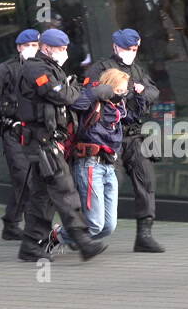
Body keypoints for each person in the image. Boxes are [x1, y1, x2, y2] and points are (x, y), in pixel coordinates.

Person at [14, 28, 107, 263]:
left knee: (43, 195)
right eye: (61, 49)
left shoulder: (52, 68)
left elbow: (70, 92)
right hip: (42, 142)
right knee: (64, 188)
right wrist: (92, 92)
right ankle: (82, 240)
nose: (65, 53)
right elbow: (63, 95)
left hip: (49, 140)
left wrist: (79, 92)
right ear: (46, 48)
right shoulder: (35, 68)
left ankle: (30, 246)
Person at [83, 29, 165, 252]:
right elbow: (90, 93)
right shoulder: (100, 68)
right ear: (115, 47)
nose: (131, 52)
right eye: (127, 48)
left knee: (146, 181)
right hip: (110, 135)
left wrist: (140, 92)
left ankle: (144, 235)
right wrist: (124, 93)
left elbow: (153, 91)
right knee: (108, 185)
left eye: (135, 49)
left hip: (135, 134)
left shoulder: (137, 69)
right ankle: (85, 231)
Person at [48, 68, 131, 252]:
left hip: (109, 165)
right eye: (118, 91)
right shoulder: (93, 102)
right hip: (90, 163)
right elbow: (75, 104)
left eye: (124, 91)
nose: (121, 95)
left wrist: (139, 95)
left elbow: (133, 116)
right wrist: (96, 93)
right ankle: (58, 236)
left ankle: (74, 239)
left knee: (108, 226)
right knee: (94, 224)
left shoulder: (118, 108)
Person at [0, 28, 40, 241]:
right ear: (18, 47)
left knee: (30, 181)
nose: (32, 49)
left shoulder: (45, 68)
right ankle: (31, 228)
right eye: (28, 46)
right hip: (13, 132)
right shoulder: (6, 70)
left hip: (37, 132)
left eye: (36, 45)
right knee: (24, 177)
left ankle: (11, 223)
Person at [111, 0, 171, 93]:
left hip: (157, 27)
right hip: (144, 31)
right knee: (156, 66)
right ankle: (164, 98)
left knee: (160, 63)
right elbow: (123, 12)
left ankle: (167, 99)